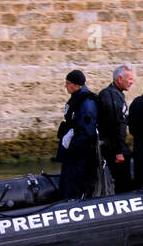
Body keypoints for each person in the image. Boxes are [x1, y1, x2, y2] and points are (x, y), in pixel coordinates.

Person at [55, 69, 98, 200]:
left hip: (79, 154)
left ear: (77, 85)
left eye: (68, 83)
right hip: (72, 153)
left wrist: (73, 148)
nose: (65, 86)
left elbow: (87, 132)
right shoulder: (76, 99)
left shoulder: (86, 103)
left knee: (73, 186)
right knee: (66, 184)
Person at [97, 64, 135, 193]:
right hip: (115, 147)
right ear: (119, 79)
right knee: (123, 182)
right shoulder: (111, 96)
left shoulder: (115, 94)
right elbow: (115, 123)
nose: (132, 82)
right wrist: (118, 152)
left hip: (115, 145)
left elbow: (121, 119)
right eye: (129, 79)